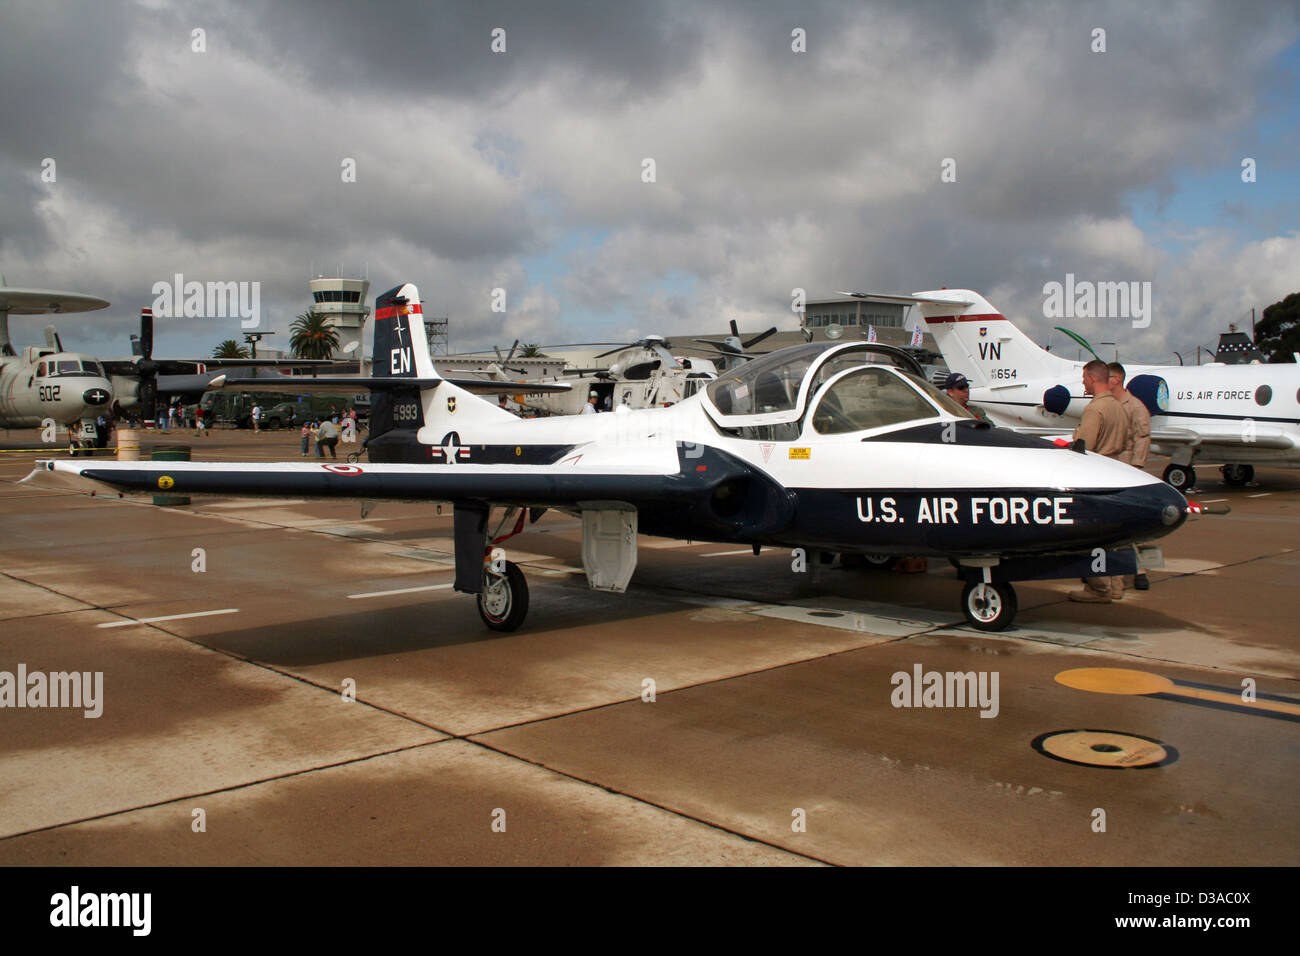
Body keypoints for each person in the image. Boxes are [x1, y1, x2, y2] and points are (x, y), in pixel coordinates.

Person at [1070, 359, 1130, 604]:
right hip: (1116, 469)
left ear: (1092, 378)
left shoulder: (1095, 409)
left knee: (1085, 537)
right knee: (1113, 537)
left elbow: (1084, 446)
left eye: (1084, 378)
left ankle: (1099, 588)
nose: (1083, 382)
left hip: (1096, 474)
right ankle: (1116, 586)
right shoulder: (1119, 407)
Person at [1109, 362, 1153, 590]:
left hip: (1126, 467)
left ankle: (1138, 570)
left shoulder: (1134, 406)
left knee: (1126, 524)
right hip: (1108, 465)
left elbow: (1143, 436)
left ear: (1116, 379)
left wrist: (1137, 466)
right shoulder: (1108, 404)